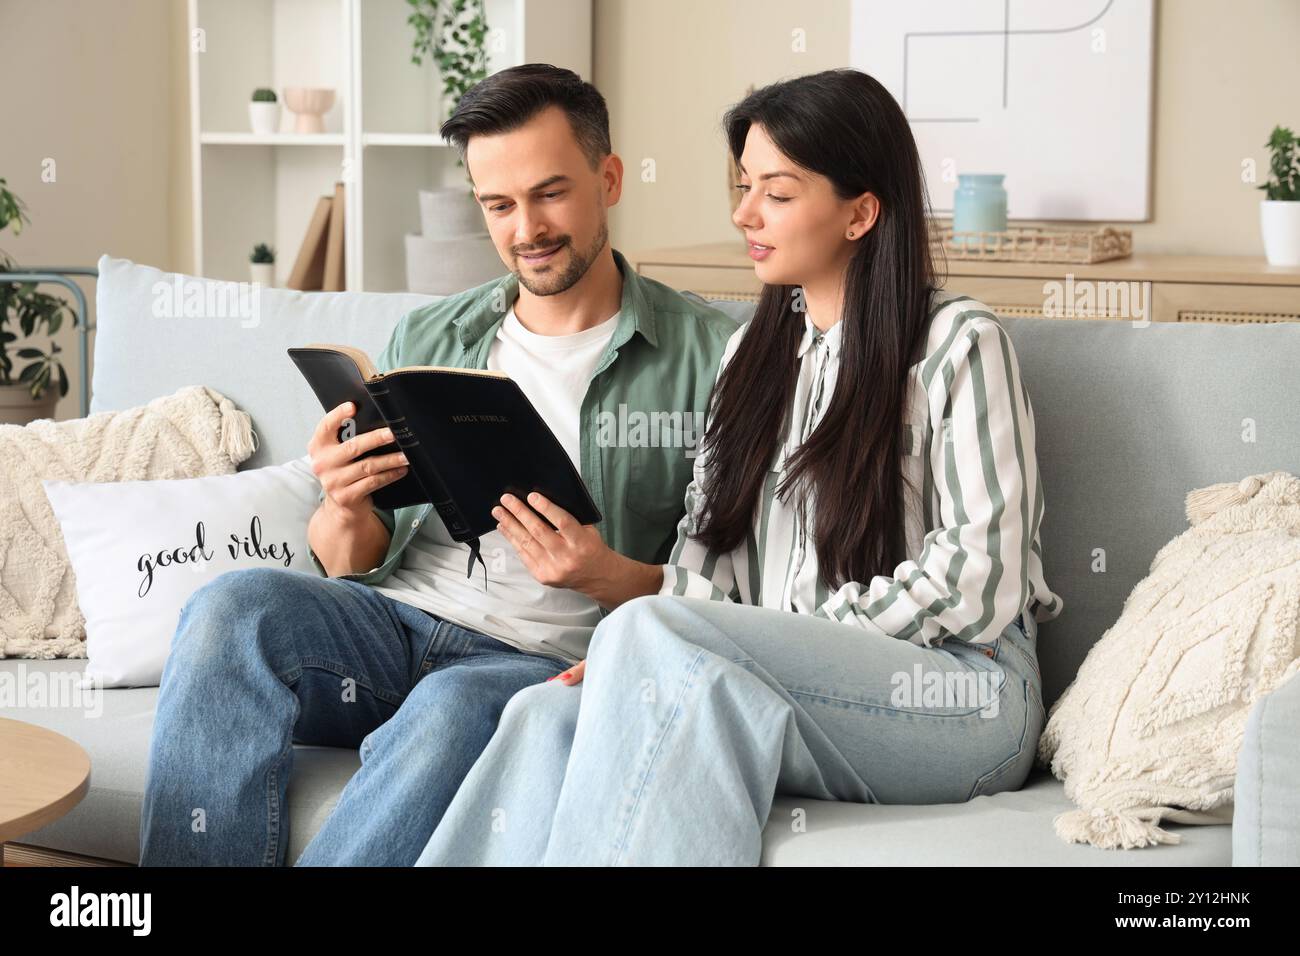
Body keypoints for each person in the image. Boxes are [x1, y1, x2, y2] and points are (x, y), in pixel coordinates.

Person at [414, 68, 1065, 866]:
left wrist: (752, 642)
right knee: (542, 715)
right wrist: (643, 659)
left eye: (777, 193)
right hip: (783, 686)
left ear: (862, 211)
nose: (744, 214)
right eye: (744, 185)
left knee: (650, 637)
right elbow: (707, 574)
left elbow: (978, 579)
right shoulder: (748, 362)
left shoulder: (960, 344)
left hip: (960, 697)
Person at [138, 64, 736, 866]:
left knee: (451, 708)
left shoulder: (712, 356)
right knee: (229, 609)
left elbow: (733, 588)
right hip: (391, 626)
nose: (527, 227)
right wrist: (343, 504)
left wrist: (603, 573)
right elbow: (350, 559)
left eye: (551, 193)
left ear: (610, 177)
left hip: (540, 661)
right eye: (498, 204)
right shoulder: (429, 339)